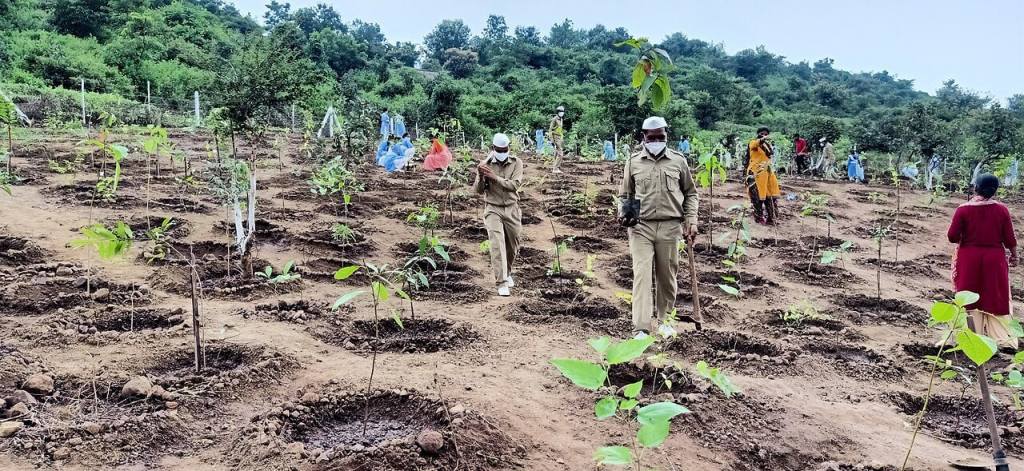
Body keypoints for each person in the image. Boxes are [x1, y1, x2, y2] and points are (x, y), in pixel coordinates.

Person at [618, 116, 699, 333]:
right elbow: (626, 194)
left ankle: (665, 322)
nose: (656, 141)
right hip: (641, 227)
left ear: (666, 136)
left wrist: (691, 220)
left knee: (667, 277)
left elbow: (690, 193)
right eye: (652, 137)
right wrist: (625, 214)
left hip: (670, 227)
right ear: (644, 137)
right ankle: (641, 329)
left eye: (660, 137)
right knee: (642, 276)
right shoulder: (633, 162)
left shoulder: (678, 161)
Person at [947, 174, 1019, 347]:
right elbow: (1009, 239)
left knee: (968, 295)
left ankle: (970, 338)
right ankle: (1004, 341)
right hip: (995, 259)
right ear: (994, 191)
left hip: (969, 258)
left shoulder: (963, 209)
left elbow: (952, 237)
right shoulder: (1001, 210)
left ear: (975, 187)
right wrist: (1015, 255)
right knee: (996, 295)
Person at [474, 133, 524, 297]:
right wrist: (481, 176)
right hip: (493, 208)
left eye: (504, 149)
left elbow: (514, 185)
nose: (502, 152)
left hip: (511, 208)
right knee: (497, 244)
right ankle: (501, 282)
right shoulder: (485, 165)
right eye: (498, 149)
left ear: (508, 148)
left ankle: (507, 272)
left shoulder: (516, 163)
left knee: (513, 245)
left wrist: (495, 178)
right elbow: (479, 190)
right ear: (493, 149)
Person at [745, 127, 782, 225]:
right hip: (756, 173)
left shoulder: (767, 146)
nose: (764, 135)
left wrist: (766, 142)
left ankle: (771, 218)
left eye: (766, 134)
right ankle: (759, 218)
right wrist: (763, 139)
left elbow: (770, 154)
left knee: (771, 196)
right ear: (758, 134)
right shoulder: (753, 143)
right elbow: (755, 144)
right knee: (757, 197)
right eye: (762, 133)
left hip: (767, 173)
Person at [549, 105, 566, 173]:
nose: (562, 113)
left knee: (556, 153)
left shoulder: (561, 119)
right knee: (560, 153)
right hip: (555, 137)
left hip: (559, 137)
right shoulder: (554, 119)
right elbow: (550, 130)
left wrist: (562, 137)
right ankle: (555, 169)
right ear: (558, 112)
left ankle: (555, 167)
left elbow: (560, 130)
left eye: (563, 112)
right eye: (561, 112)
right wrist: (552, 140)